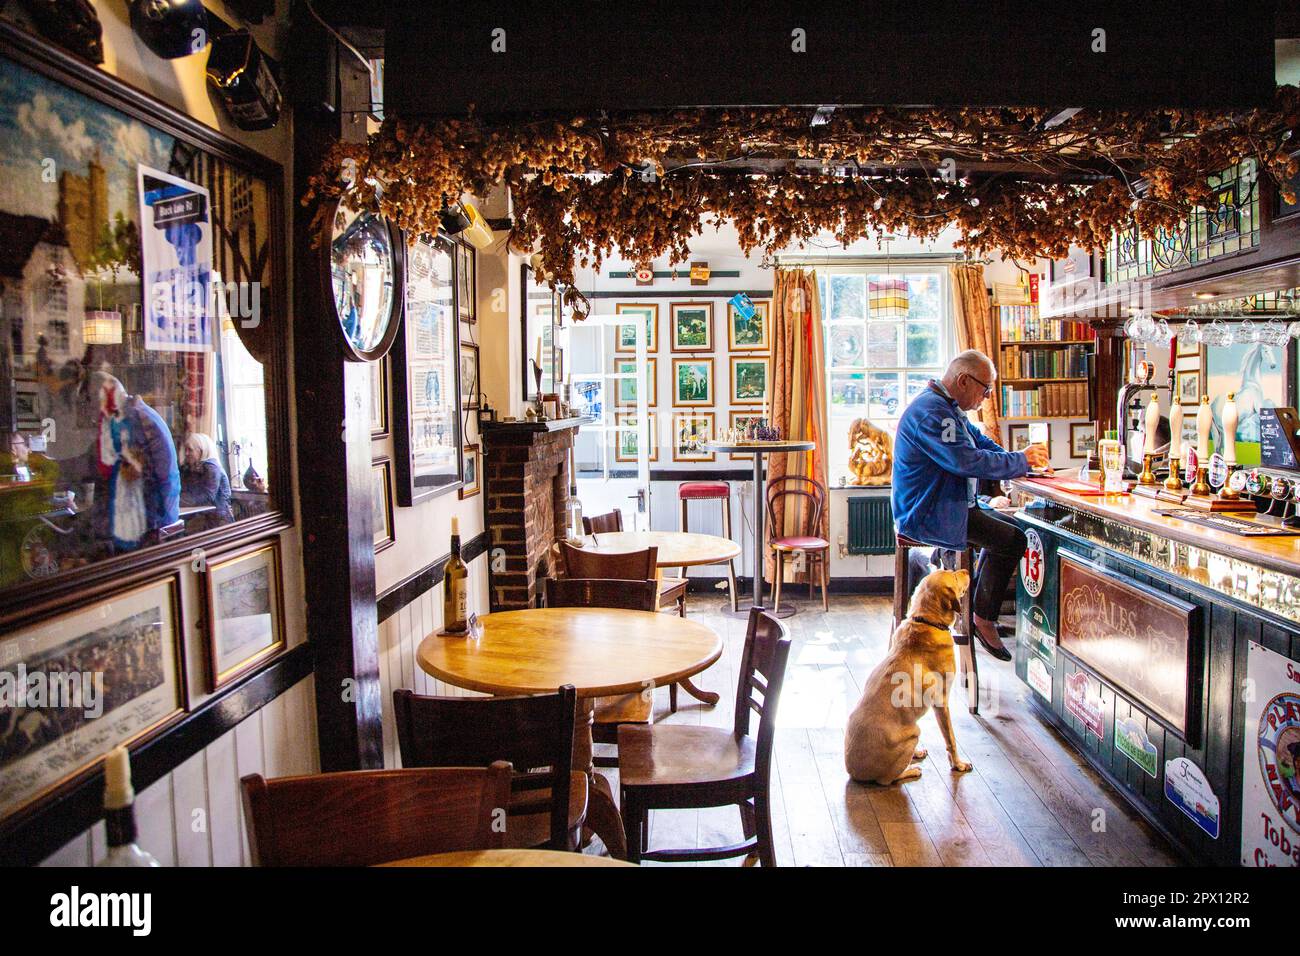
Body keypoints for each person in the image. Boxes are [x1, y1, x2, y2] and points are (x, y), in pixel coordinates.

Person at [892, 350, 1050, 660]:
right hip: (928, 513)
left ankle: (978, 610)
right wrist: (1019, 461)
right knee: (1014, 539)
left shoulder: (946, 407)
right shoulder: (933, 413)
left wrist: (1023, 461)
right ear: (964, 381)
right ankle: (982, 617)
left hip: (948, 505)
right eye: (986, 388)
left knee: (1015, 530)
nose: (987, 397)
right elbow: (965, 460)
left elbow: (979, 443)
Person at [180, 432, 233, 525]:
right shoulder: (190, 467)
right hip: (203, 517)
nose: (186, 453)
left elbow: (207, 496)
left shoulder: (211, 467)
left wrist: (178, 502)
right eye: (186, 450)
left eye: (190, 450)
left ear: (201, 450)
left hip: (218, 520)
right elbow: (184, 490)